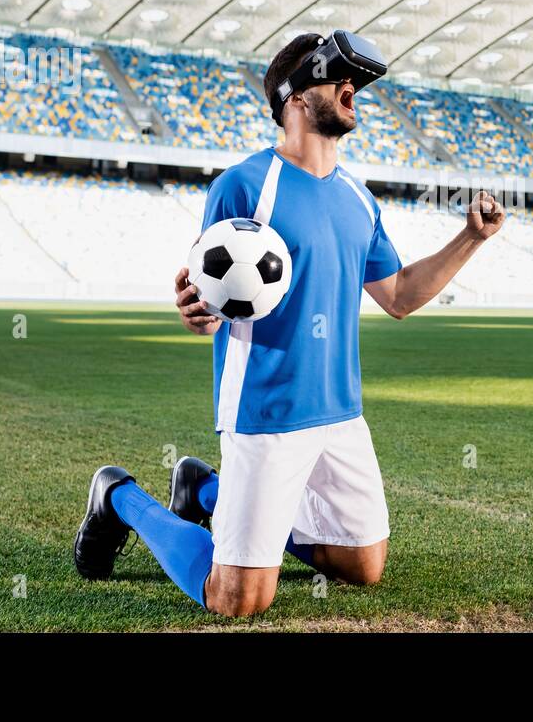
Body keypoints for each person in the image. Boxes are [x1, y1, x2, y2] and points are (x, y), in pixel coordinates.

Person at [73, 31, 505, 615]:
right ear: (296, 98)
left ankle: (201, 487)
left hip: (341, 413)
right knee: (239, 600)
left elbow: (400, 296)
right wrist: (193, 312)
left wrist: (471, 238)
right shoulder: (243, 187)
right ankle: (119, 496)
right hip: (266, 412)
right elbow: (206, 305)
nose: (353, 90)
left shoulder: (358, 197)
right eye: (338, 79)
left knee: (361, 567)